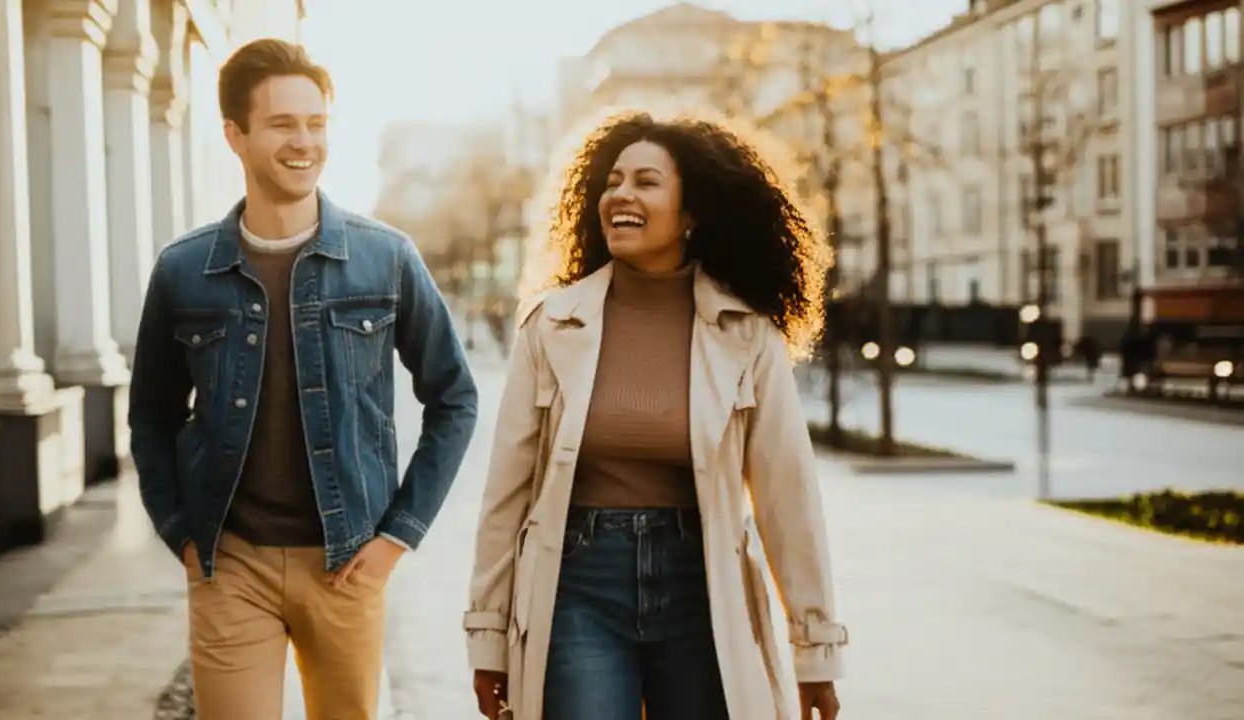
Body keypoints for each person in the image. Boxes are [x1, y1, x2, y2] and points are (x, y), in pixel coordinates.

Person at [129, 38, 477, 720]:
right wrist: (182, 531)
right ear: (236, 134)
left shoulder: (387, 259)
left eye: (316, 123)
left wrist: (397, 535)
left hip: (346, 561)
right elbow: (151, 415)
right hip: (232, 564)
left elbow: (455, 398)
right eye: (283, 124)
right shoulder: (182, 270)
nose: (304, 142)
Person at [464, 111, 848, 720]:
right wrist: (487, 634)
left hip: (704, 587)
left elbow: (788, 499)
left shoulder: (747, 336)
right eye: (613, 180)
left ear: (691, 213)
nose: (621, 193)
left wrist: (816, 649)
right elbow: (505, 495)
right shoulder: (552, 327)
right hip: (577, 588)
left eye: (646, 181)